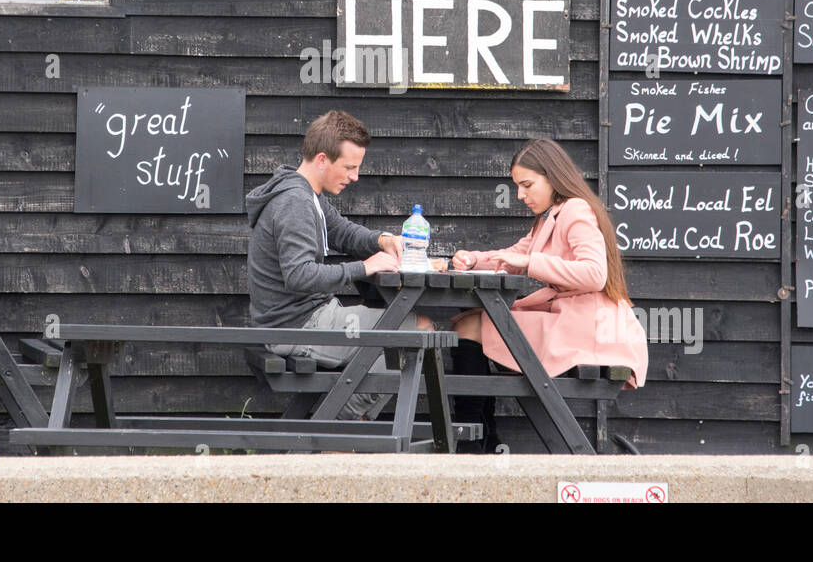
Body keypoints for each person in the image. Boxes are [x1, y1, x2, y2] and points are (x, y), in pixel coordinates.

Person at [450, 138, 648, 452]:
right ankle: (481, 439)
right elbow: (516, 254)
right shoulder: (552, 215)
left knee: (469, 327)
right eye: (517, 186)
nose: (520, 195)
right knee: (467, 324)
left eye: (527, 184)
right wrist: (473, 260)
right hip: (572, 321)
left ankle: (476, 443)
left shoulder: (576, 210)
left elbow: (595, 274)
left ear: (552, 176)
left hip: (589, 330)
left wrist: (531, 264)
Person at [246, 109, 432, 420]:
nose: (355, 176)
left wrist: (382, 239)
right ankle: (339, 426)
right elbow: (300, 276)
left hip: (303, 319)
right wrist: (366, 267)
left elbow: (342, 231)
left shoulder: (307, 195)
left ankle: (342, 422)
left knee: (408, 325)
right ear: (322, 159)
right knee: (417, 328)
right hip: (296, 327)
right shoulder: (296, 203)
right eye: (348, 167)